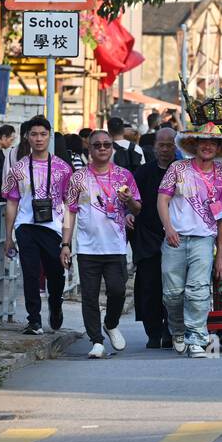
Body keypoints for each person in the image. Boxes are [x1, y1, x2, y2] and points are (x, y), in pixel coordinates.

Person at [157, 124, 222, 358]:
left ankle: (197, 339)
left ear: (218, 148)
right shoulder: (178, 168)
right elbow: (162, 200)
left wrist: (220, 254)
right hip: (175, 238)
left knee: (198, 290)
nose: (207, 146)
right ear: (194, 145)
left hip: (204, 240)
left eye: (212, 143)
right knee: (172, 294)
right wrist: (169, 227)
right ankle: (178, 329)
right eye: (203, 141)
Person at [62, 129, 142, 358]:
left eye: (107, 144)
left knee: (117, 291)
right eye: (97, 145)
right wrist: (65, 244)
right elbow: (69, 211)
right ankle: (96, 341)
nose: (103, 148)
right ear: (90, 149)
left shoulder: (124, 175)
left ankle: (111, 322)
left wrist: (130, 203)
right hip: (88, 248)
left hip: (115, 247)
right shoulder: (78, 178)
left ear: (112, 148)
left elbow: (138, 208)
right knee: (89, 295)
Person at [4, 115, 70, 334]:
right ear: (27, 137)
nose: (39, 139)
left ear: (49, 136)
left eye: (43, 134)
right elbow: (12, 202)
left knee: (55, 273)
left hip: (53, 227)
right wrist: (9, 236)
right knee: (30, 272)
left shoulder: (62, 168)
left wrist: (67, 238)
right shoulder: (19, 168)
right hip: (25, 226)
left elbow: (70, 204)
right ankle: (34, 320)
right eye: (34, 134)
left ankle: (56, 305)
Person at [132, 128, 177, 348]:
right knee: (150, 286)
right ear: (154, 147)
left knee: (173, 286)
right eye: (162, 145)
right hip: (148, 237)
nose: (166, 149)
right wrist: (129, 214)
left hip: (175, 235)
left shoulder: (182, 172)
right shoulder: (142, 172)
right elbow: (133, 201)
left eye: (170, 145)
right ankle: (153, 331)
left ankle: (171, 329)